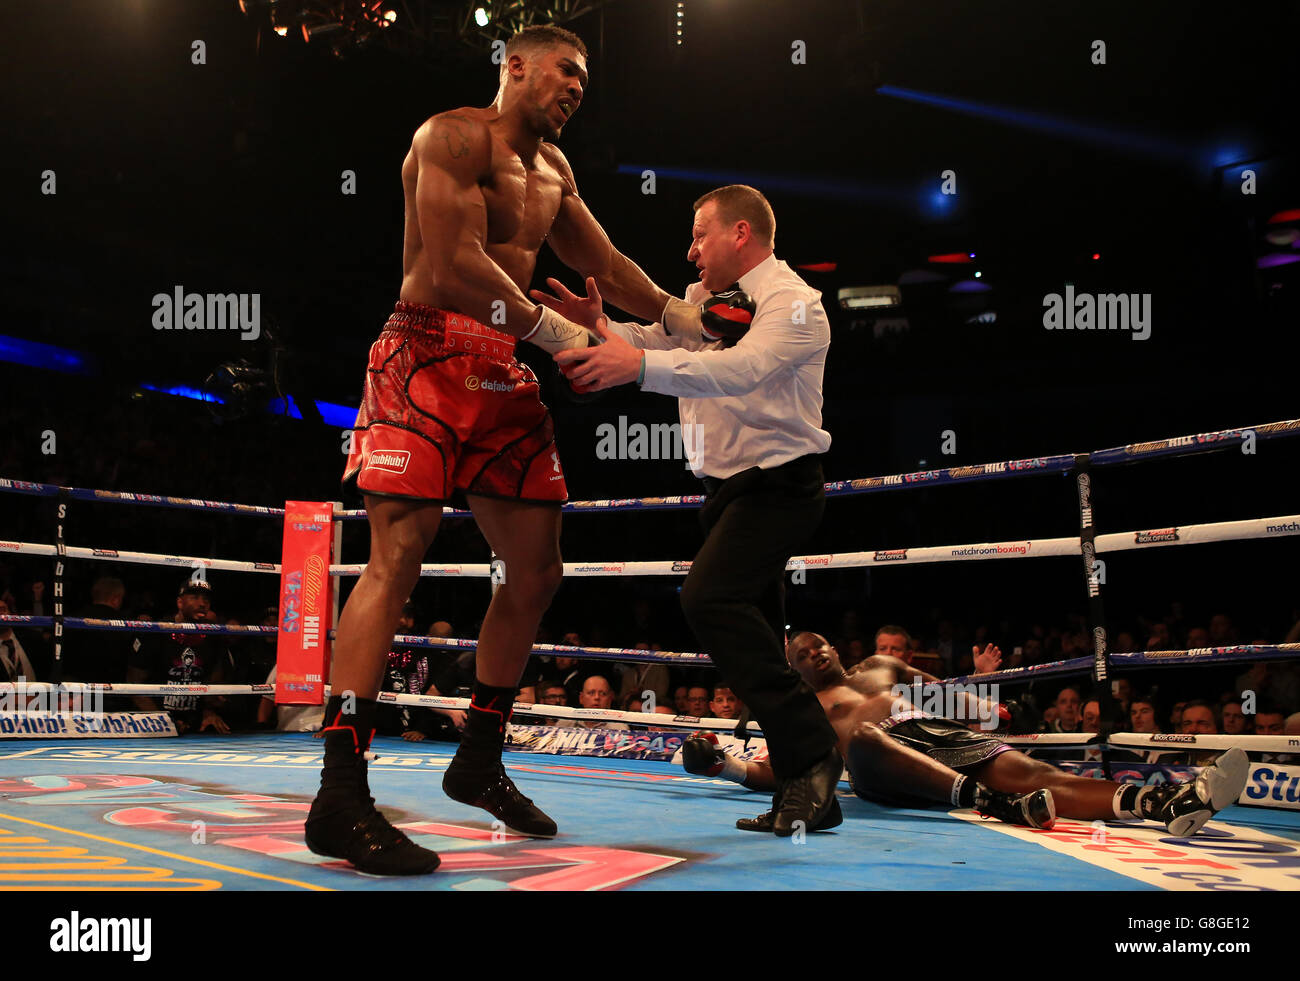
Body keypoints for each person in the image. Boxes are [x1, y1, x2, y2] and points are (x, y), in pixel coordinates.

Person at [304, 24, 674, 876]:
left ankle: (477, 754)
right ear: (515, 67)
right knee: (398, 551)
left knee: (537, 571)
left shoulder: (556, 172)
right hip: (423, 354)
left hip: (501, 372)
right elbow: (458, 260)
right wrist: (555, 335)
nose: (577, 87)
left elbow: (607, 263)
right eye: (564, 70)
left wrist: (677, 316)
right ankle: (340, 790)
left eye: (586, 77)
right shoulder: (452, 135)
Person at [536, 184, 842, 836]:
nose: (690, 249)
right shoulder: (702, 303)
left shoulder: (794, 304)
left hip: (779, 484)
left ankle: (815, 751)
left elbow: (742, 369)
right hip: (725, 490)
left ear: (739, 233)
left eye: (700, 235)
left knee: (707, 598)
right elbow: (648, 335)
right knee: (758, 632)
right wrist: (598, 328)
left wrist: (638, 365)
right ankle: (805, 787)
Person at [682, 632, 1249, 839]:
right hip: (884, 769)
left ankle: (1166, 803)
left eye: (820, 643)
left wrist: (980, 693)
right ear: (795, 671)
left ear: (835, 647)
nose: (815, 652)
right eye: (802, 654)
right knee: (865, 741)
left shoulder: (882, 667)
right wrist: (722, 767)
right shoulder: (800, 716)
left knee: (1040, 776)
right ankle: (993, 804)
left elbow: (946, 698)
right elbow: (778, 774)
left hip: (939, 737)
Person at [127, 581, 233, 735]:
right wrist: (162, 721)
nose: (202, 603)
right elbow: (133, 684)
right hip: (153, 720)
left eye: (206, 600)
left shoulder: (213, 635)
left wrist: (208, 711)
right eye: (195, 597)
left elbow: (216, 682)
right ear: (180, 602)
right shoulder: (156, 632)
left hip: (196, 722)